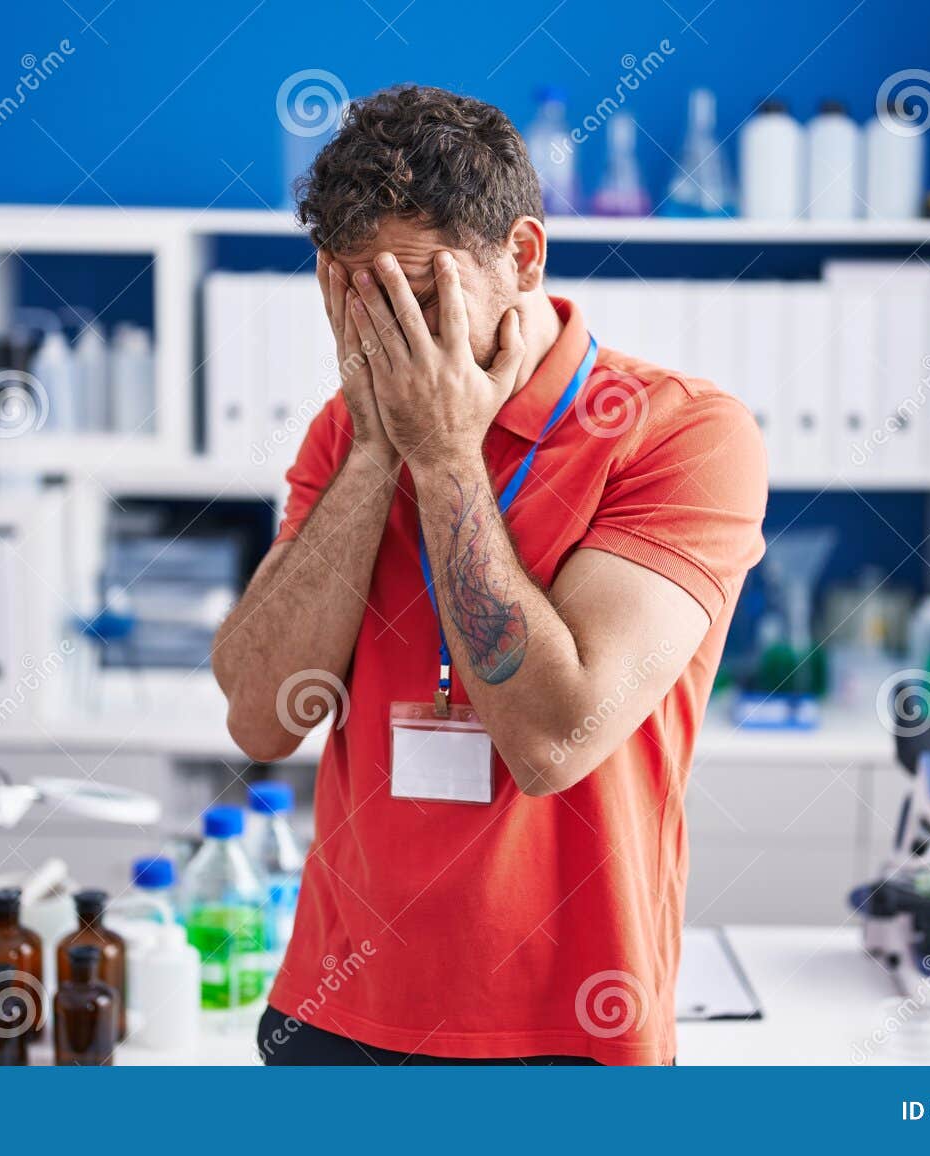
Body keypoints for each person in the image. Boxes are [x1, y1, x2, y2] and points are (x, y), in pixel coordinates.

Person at [213, 84, 767, 1066]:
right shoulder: (348, 431)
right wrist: (378, 451)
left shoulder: (682, 434)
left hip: (567, 1034)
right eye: (350, 295)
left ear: (521, 255)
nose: (382, 335)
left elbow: (553, 740)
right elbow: (260, 715)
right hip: (334, 1015)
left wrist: (442, 454)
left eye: (416, 295)